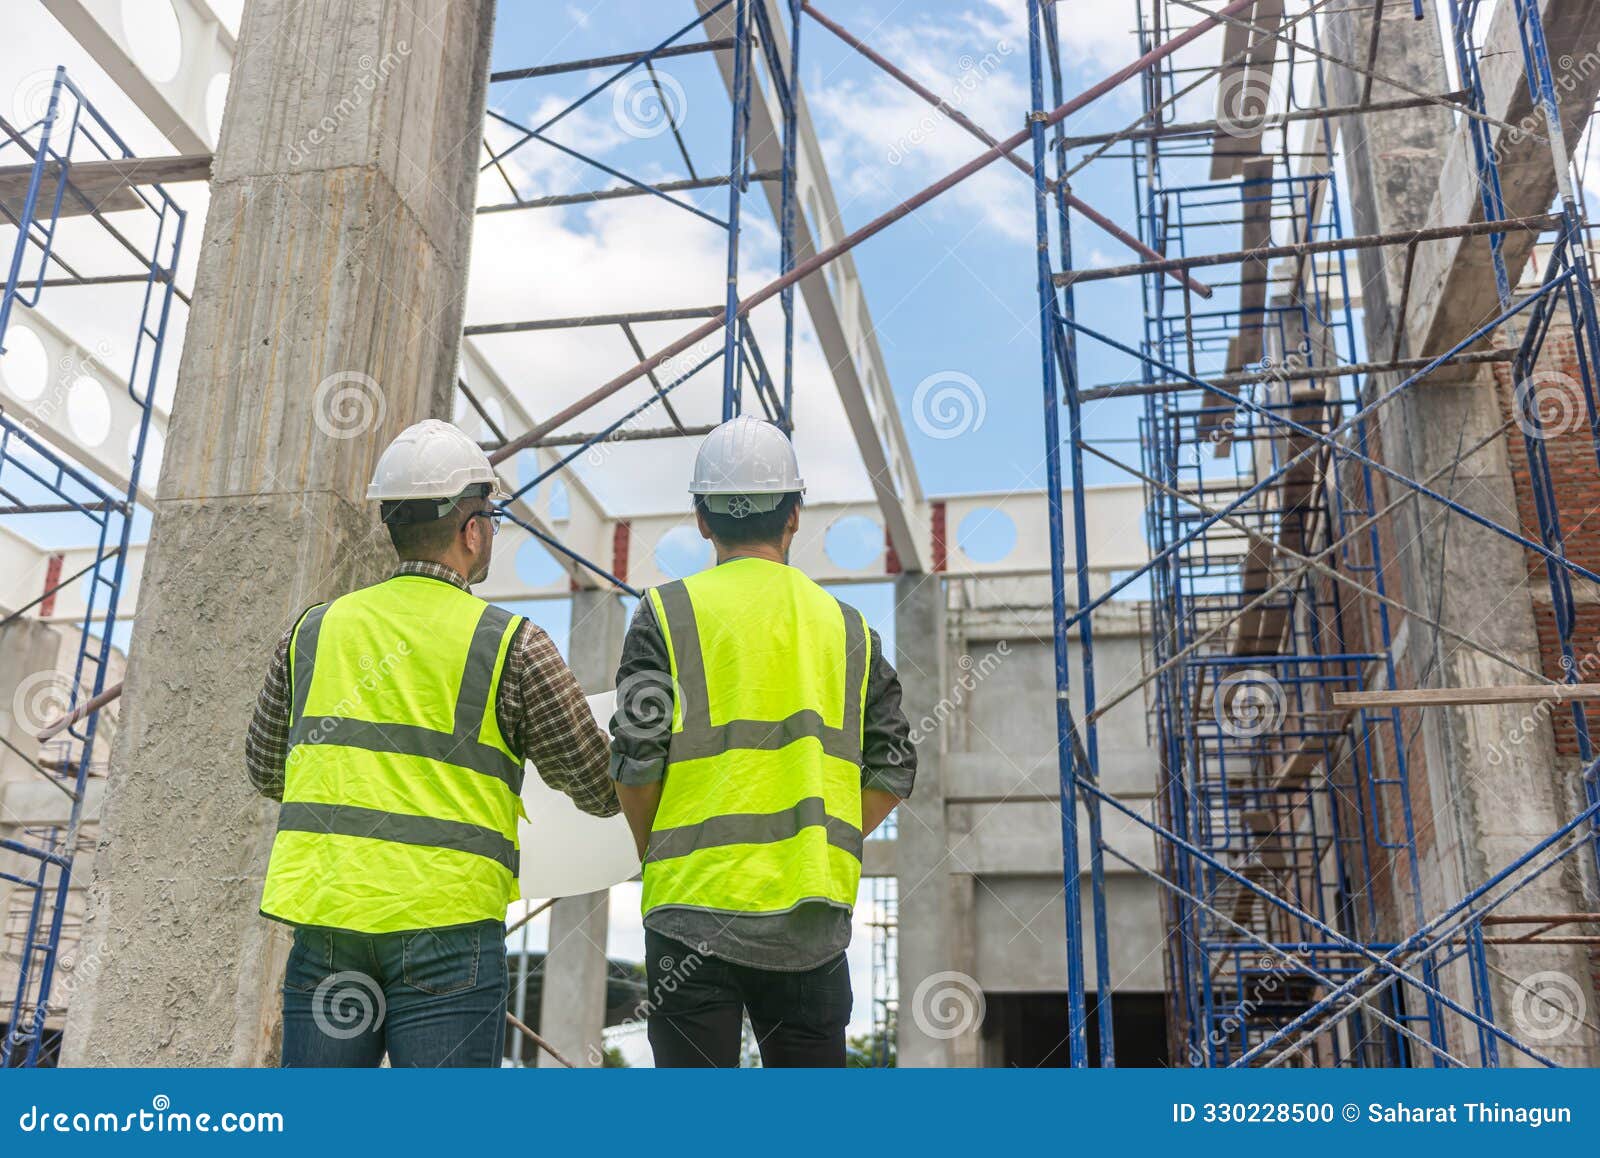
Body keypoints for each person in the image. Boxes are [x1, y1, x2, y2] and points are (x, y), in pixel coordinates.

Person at [245, 418, 618, 1067]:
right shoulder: (513, 645)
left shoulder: (313, 632)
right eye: (492, 518)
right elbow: (597, 783)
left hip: (329, 920)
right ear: (471, 531)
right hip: (448, 930)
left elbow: (266, 768)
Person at [610, 415, 917, 1067]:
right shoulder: (849, 629)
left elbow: (636, 764)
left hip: (689, 913)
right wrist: (825, 838)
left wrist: (658, 851)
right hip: (809, 918)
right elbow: (894, 767)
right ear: (794, 516)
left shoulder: (665, 613)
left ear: (702, 519)